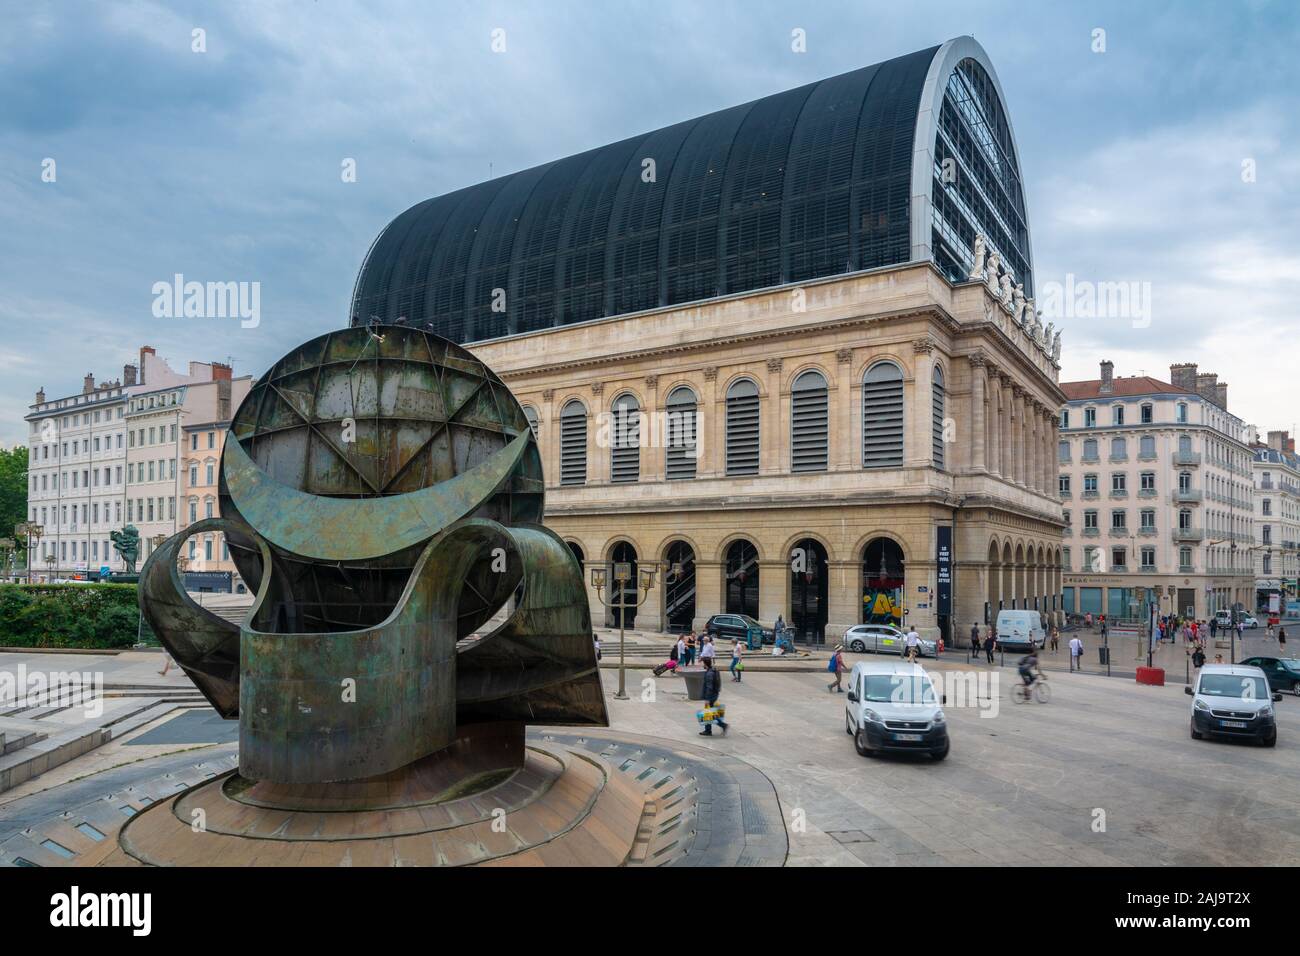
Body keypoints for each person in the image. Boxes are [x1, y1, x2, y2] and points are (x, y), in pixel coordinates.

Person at [698, 658, 728, 736]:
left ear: (705, 664)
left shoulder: (709, 674)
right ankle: (708, 730)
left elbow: (709, 687)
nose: (702, 665)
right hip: (714, 694)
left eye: (703, 663)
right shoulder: (712, 670)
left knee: (709, 713)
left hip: (711, 696)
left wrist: (707, 698)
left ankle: (722, 725)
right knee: (708, 713)